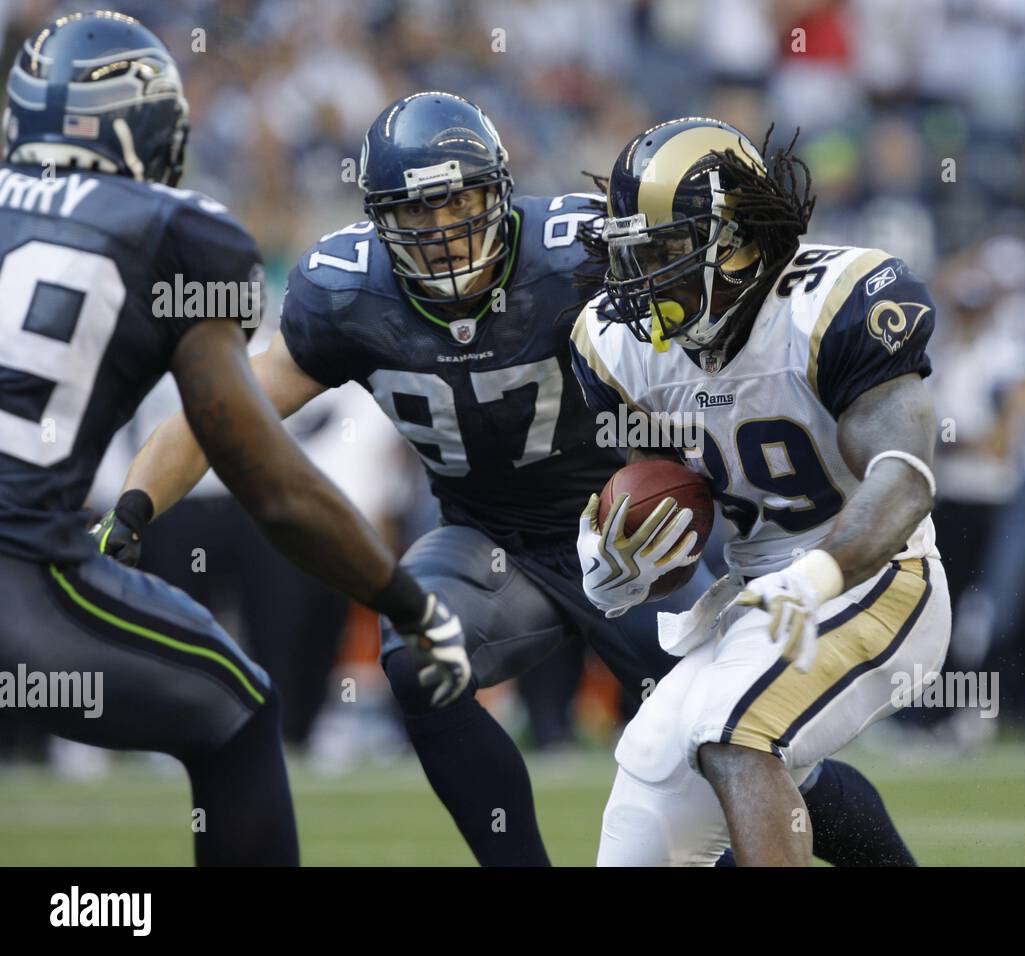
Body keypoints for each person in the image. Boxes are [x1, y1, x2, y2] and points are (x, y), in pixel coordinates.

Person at [113, 93, 916, 867]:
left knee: (739, 740)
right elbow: (227, 412)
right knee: (418, 658)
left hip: (637, 536)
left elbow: (727, 336)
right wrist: (131, 509)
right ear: (376, 220)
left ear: (501, 190)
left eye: (457, 202)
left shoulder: (583, 255)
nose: (441, 232)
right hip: (485, 544)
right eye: (413, 213)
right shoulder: (345, 294)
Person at [0, 12, 467, 866]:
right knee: (240, 706)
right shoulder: (173, 230)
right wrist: (409, 603)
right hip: (19, 572)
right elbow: (273, 486)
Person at [571, 118, 951, 865]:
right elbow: (658, 489)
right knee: (648, 782)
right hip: (756, 593)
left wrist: (816, 577)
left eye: (667, 251)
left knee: (732, 729)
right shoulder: (618, 348)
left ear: (738, 239)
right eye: (633, 254)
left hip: (879, 574)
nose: (645, 281)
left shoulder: (835, 304)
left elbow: (905, 479)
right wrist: (614, 561)